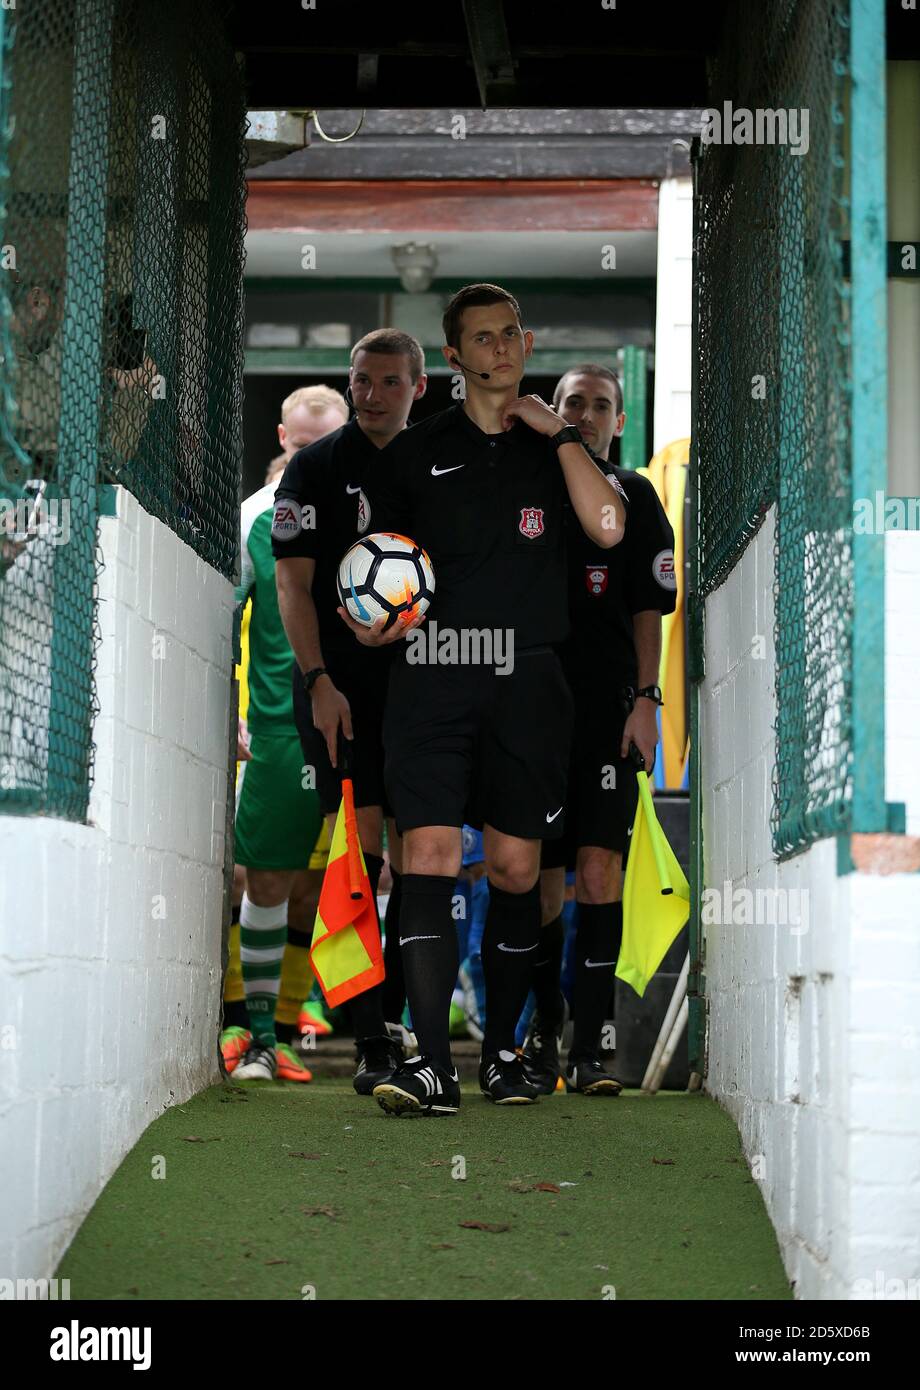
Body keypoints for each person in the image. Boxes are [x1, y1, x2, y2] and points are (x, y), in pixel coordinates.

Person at [339, 283, 627, 1116]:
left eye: (511, 335)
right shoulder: (412, 455)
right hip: (430, 675)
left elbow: (608, 526)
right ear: (455, 358)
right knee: (424, 856)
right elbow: (370, 571)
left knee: (514, 867)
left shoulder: (559, 449)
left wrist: (565, 435)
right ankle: (429, 1065)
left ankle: (503, 1053)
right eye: (482, 339)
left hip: (532, 681)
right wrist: (367, 626)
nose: (500, 349)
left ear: (526, 345)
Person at [271, 329, 428, 1094]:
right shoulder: (314, 467)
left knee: (421, 856)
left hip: (428, 691)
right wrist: (318, 679)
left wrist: (419, 624)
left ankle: (406, 1020)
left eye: (390, 382)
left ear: (418, 389)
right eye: (362, 380)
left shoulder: (438, 464)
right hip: (343, 692)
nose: (372, 394)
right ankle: (370, 1037)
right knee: (362, 853)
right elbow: (293, 588)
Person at [522, 364, 677, 1096]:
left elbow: (649, 605)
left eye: (602, 405)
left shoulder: (636, 494)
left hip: (610, 712)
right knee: (538, 881)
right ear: (552, 413)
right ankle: (541, 1038)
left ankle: (592, 1052)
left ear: (619, 421)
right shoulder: (526, 487)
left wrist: (646, 698)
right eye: (573, 403)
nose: (587, 413)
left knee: (598, 874)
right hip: (528, 714)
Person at [231, 385, 350, 1081]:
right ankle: (255, 1039)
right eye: (303, 446)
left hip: (362, 726)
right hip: (280, 727)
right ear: (281, 438)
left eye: (327, 443)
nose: (314, 456)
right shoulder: (254, 518)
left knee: (335, 880)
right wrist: (230, 714)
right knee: (269, 878)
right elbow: (223, 619)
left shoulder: (374, 506)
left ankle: (293, 1030)